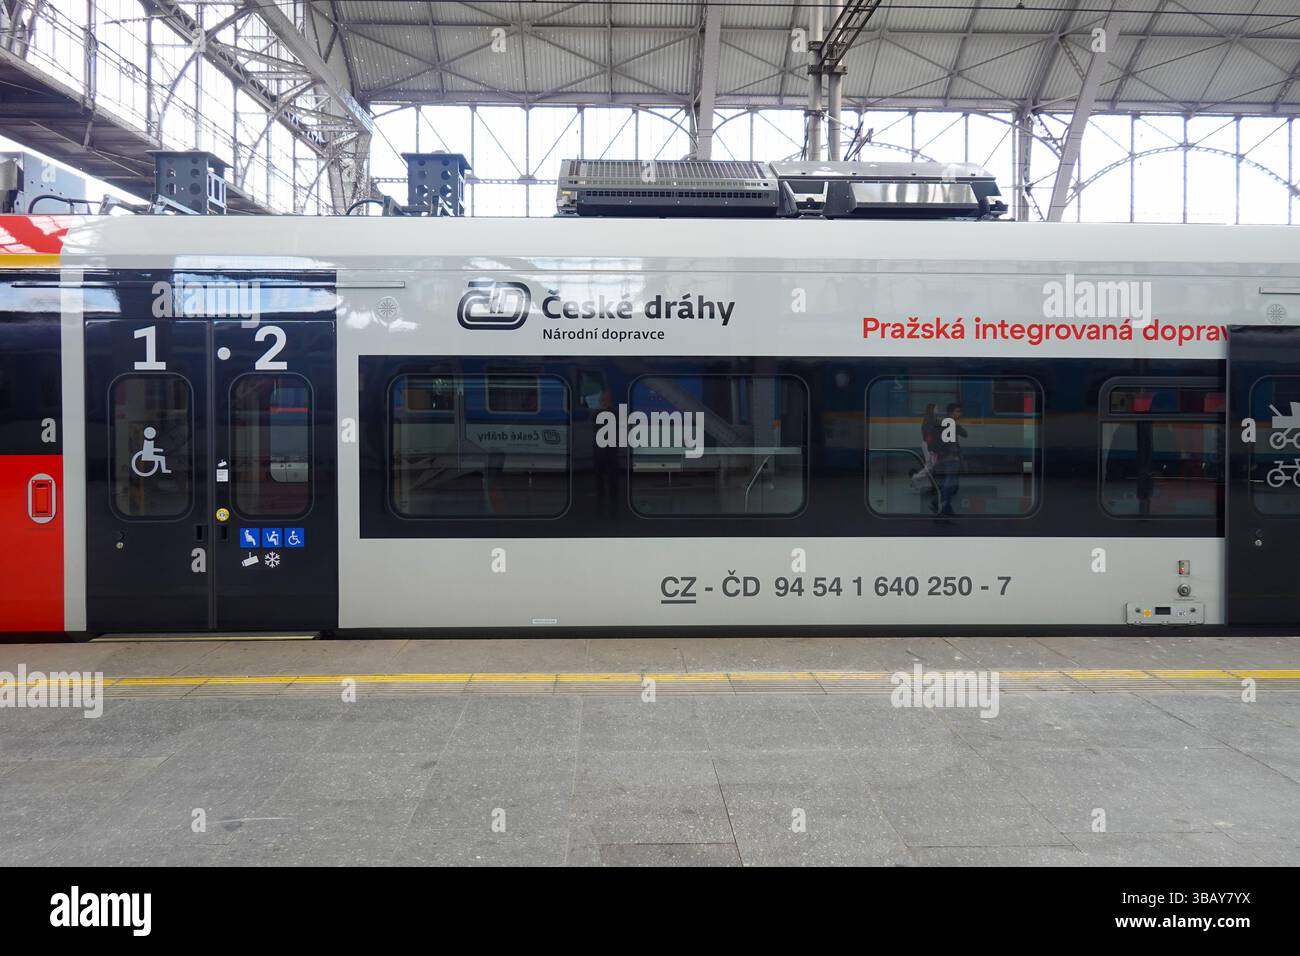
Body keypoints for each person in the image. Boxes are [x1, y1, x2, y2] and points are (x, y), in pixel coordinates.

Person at [934, 402, 967, 516]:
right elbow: (964, 434)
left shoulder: (945, 422)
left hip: (947, 457)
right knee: (950, 483)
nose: (960, 413)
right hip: (951, 458)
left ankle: (943, 505)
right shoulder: (950, 423)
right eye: (957, 411)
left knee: (949, 483)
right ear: (950, 412)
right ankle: (943, 506)